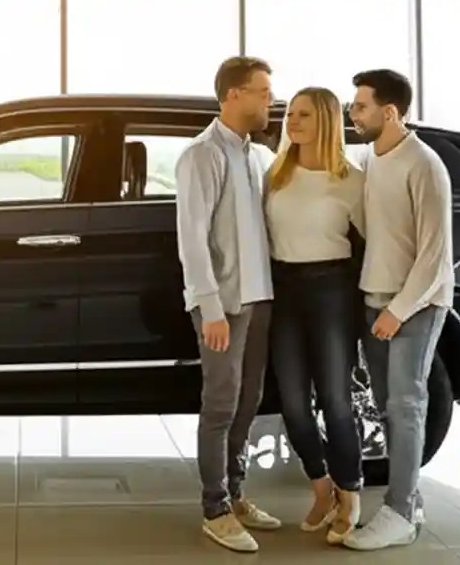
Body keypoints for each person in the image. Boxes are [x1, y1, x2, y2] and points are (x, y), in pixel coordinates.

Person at [175, 56, 283, 554]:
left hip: (259, 299)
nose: (270, 100)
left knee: (249, 401)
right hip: (224, 305)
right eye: (262, 91)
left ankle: (236, 494)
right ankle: (214, 508)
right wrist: (210, 307)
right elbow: (192, 240)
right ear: (232, 95)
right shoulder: (202, 155)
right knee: (220, 404)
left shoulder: (258, 156)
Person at [342, 69, 454, 551]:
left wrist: (399, 311)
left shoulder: (424, 165)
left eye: (360, 105)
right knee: (389, 408)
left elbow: (435, 255)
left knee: (406, 406)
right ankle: (408, 499)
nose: (353, 112)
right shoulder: (369, 158)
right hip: (374, 299)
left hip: (417, 305)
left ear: (389, 112)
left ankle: (398, 511)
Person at [262, 87, 366, 545]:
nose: (291, 121)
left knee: (336, 401)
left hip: (331, 290)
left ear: (324, 119)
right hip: (283, 289)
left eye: (303, 114)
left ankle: (352, 497)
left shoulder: (352, 179)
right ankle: (321, 487)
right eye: (289, 113)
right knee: (293, 405)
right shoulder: (276, 172)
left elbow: (373, 244)